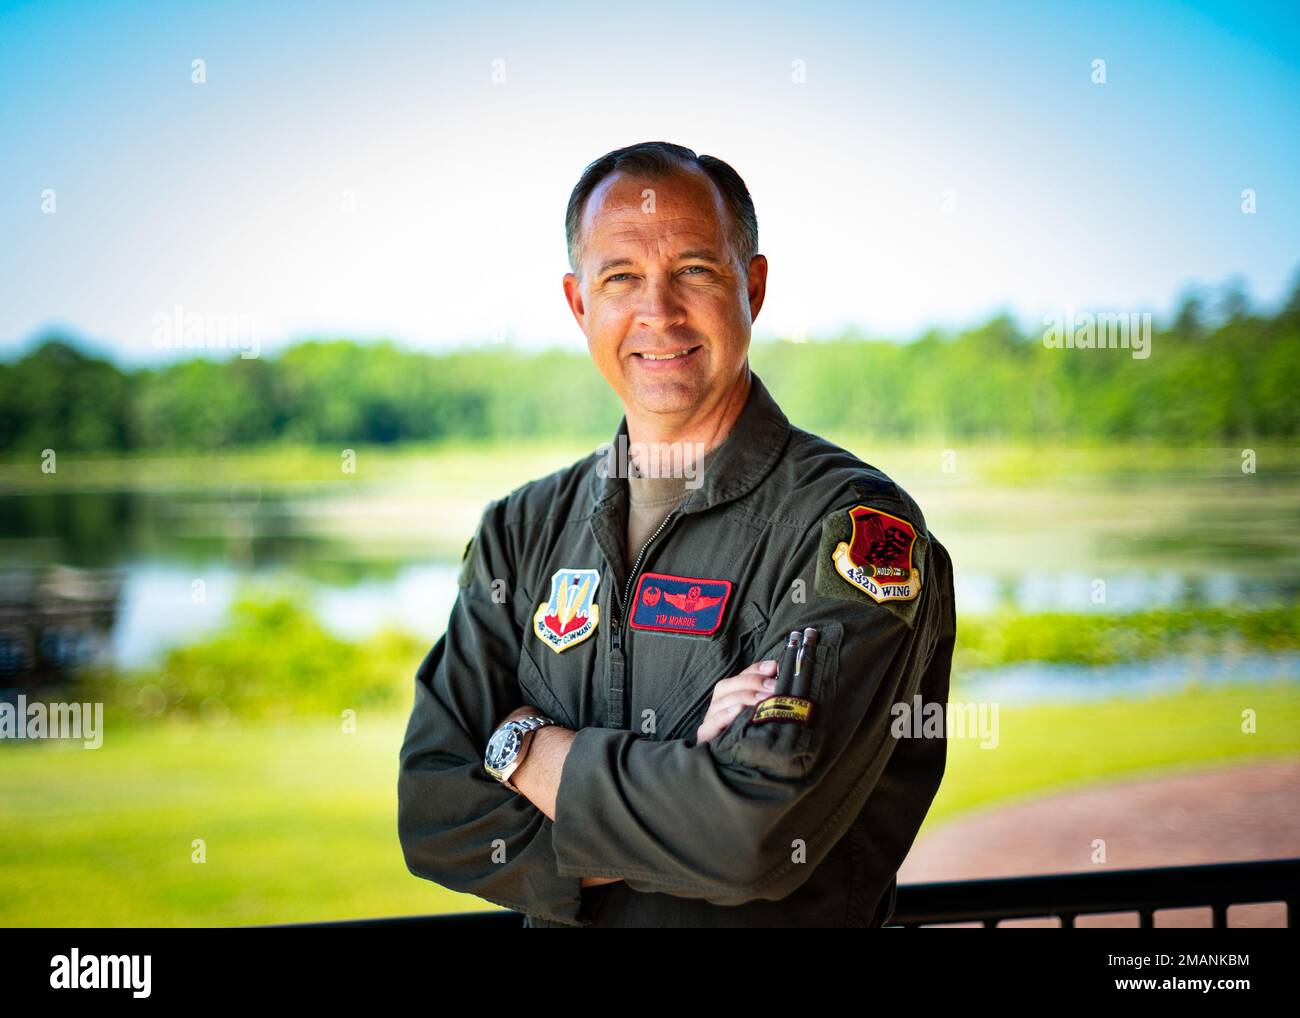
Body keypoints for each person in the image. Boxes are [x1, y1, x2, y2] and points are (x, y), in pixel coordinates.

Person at [397, 141, 956, 927]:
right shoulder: (520, 530)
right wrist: (680, 794)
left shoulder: (850, 529)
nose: (658, 312)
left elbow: (749, 839)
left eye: (696, 270)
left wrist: (519, 745)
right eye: (620, 277)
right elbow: (435, 815)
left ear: (752, 287)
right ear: (577, 302)